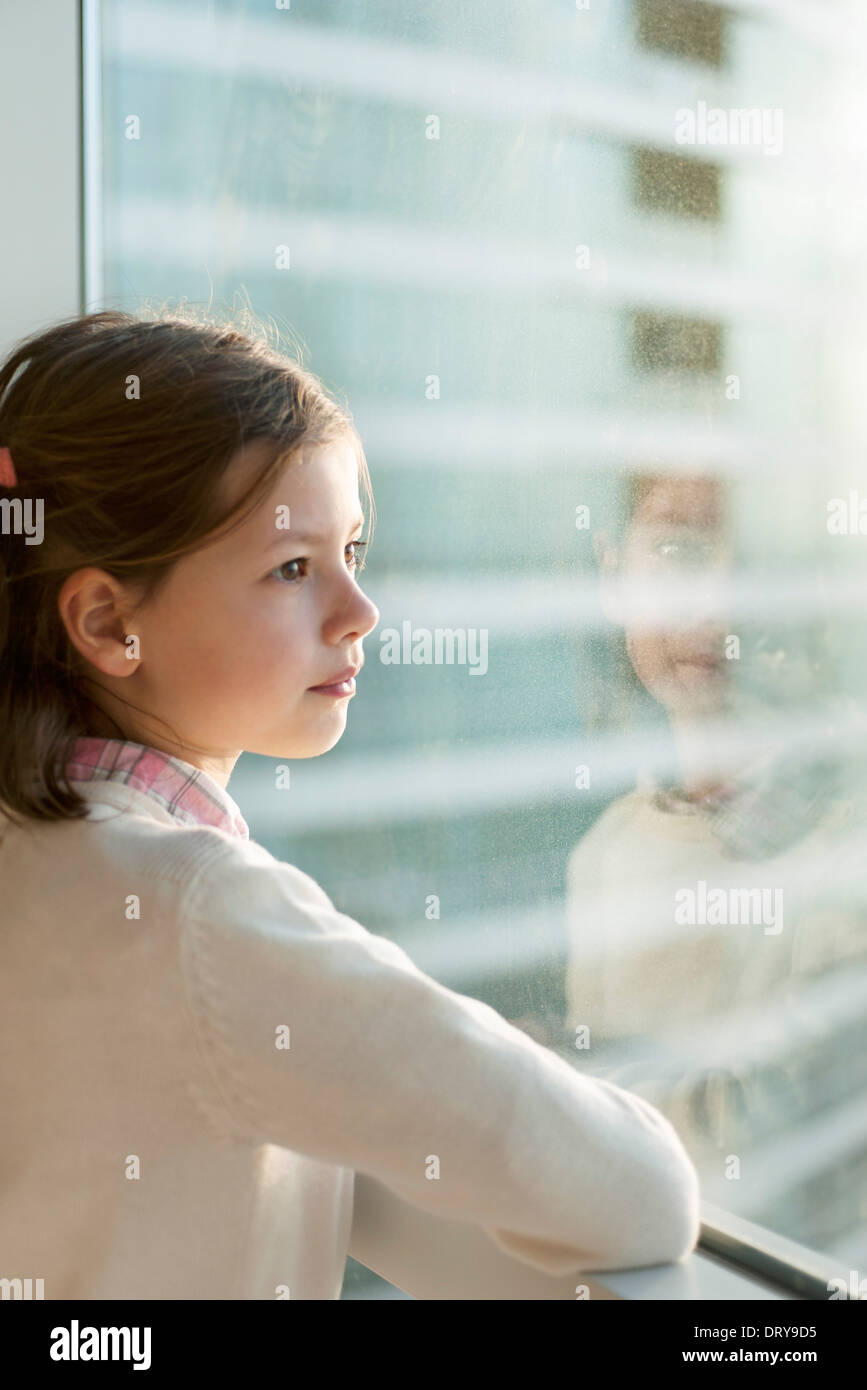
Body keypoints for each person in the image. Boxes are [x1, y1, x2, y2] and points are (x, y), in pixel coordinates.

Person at [0, 308, 699, 1300]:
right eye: (292, 568)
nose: (359, 611)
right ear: (110, 620)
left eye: (353, 554)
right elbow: (640, 1194)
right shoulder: (196, 909)